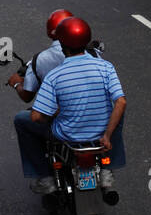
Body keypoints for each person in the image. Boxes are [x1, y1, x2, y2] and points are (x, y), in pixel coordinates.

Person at [14, 17, 126, 195]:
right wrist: (107, 136)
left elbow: (36, 117)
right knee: (117, 111)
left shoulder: (54, 76)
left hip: (67, 135)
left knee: (21, 120)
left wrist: (54, 112)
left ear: (62, 45)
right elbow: (121, 101)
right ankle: (106, 171)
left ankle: (46, 179)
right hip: (100, 135)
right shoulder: (106, 67)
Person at [6, 9, 73, 103]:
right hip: (96, 112)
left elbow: (27, 96)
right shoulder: (93, 55)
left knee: (22, 117)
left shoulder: (41, 59)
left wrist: (17, 83)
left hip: (63, 113)